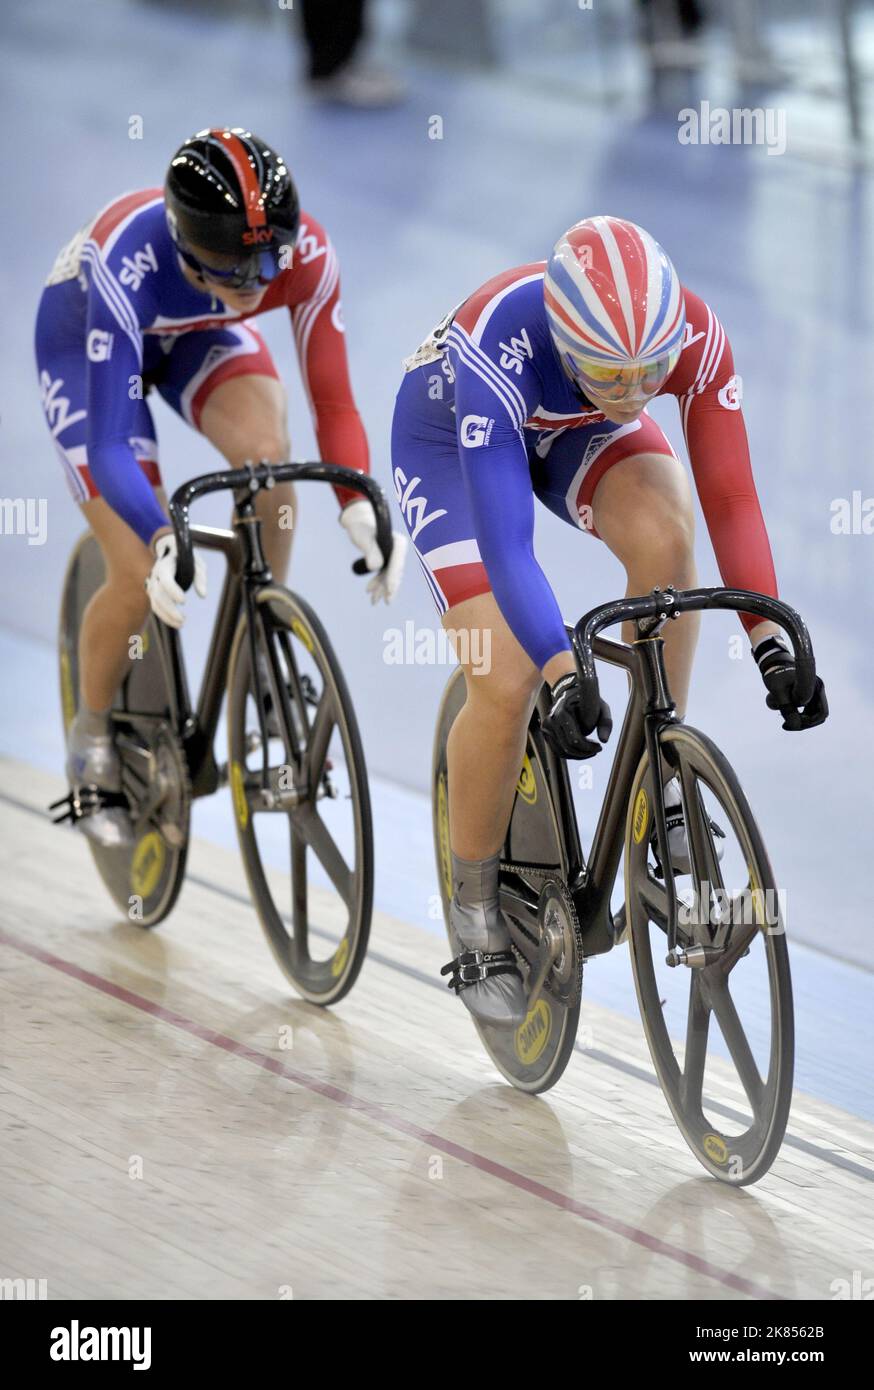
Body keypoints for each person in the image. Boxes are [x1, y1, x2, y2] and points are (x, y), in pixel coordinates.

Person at [391, 215, 827, 1029]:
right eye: (610, 373)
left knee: (667, 541)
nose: (634, 393)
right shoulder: (502, 344)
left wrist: (771, 639)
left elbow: (732, 498)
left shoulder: (692, 336)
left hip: (575, 432)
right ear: (565, 341)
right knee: (507, 674)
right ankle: (477, 908)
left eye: (647, 377)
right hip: (452, 446)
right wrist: (560, 674)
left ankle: (657, 776)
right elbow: (506, 542)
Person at [37, 127, 407, 848]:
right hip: (88, 345)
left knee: (269, 460)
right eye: (238, 273)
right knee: (138, 566)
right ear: (186, 252)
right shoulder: (130, 263)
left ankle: (257, 658)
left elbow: (334, 403)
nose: (258, 287)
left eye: (270, 267)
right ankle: (89, 746)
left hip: (195, 331)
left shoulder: (301, 257)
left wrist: (358, 502)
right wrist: (158, 531)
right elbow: (110, 441)